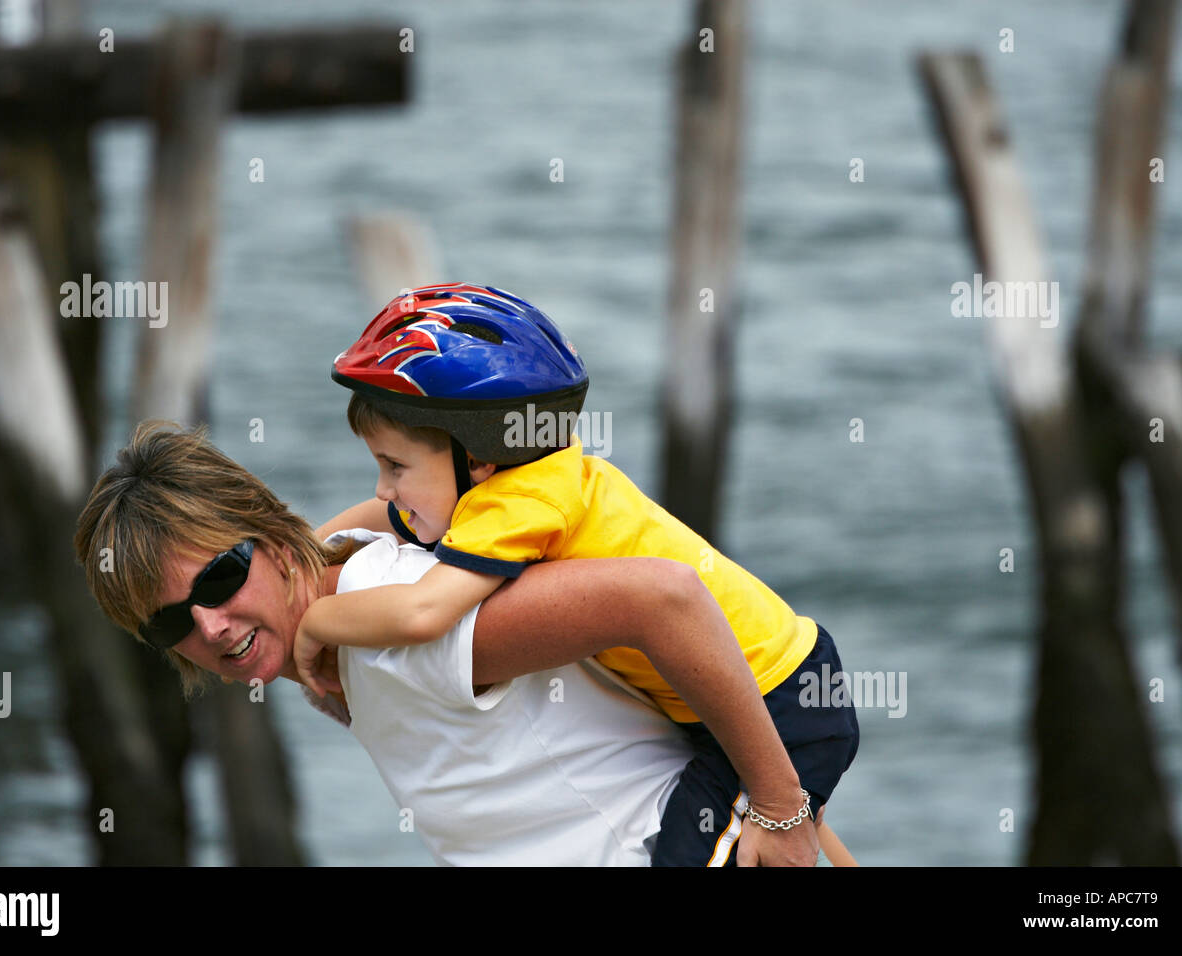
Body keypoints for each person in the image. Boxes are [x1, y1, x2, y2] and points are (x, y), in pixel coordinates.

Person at [72, 421, 836, 865]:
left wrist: (780, 809)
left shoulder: (402, 624)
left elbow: (662, 597)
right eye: (170, 623)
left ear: (270, 536)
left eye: (216, 581)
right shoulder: (347, 626)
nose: (210, 626)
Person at [304, 282, 859, 867]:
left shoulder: (520, 508)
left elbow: (423, 612)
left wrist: (319, 618)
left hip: (782, 704)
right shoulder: (525, 479)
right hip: (751, 691)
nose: (383, 488)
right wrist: (309, 554)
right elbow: (383, 517)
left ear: (479, 456)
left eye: (395, 466)